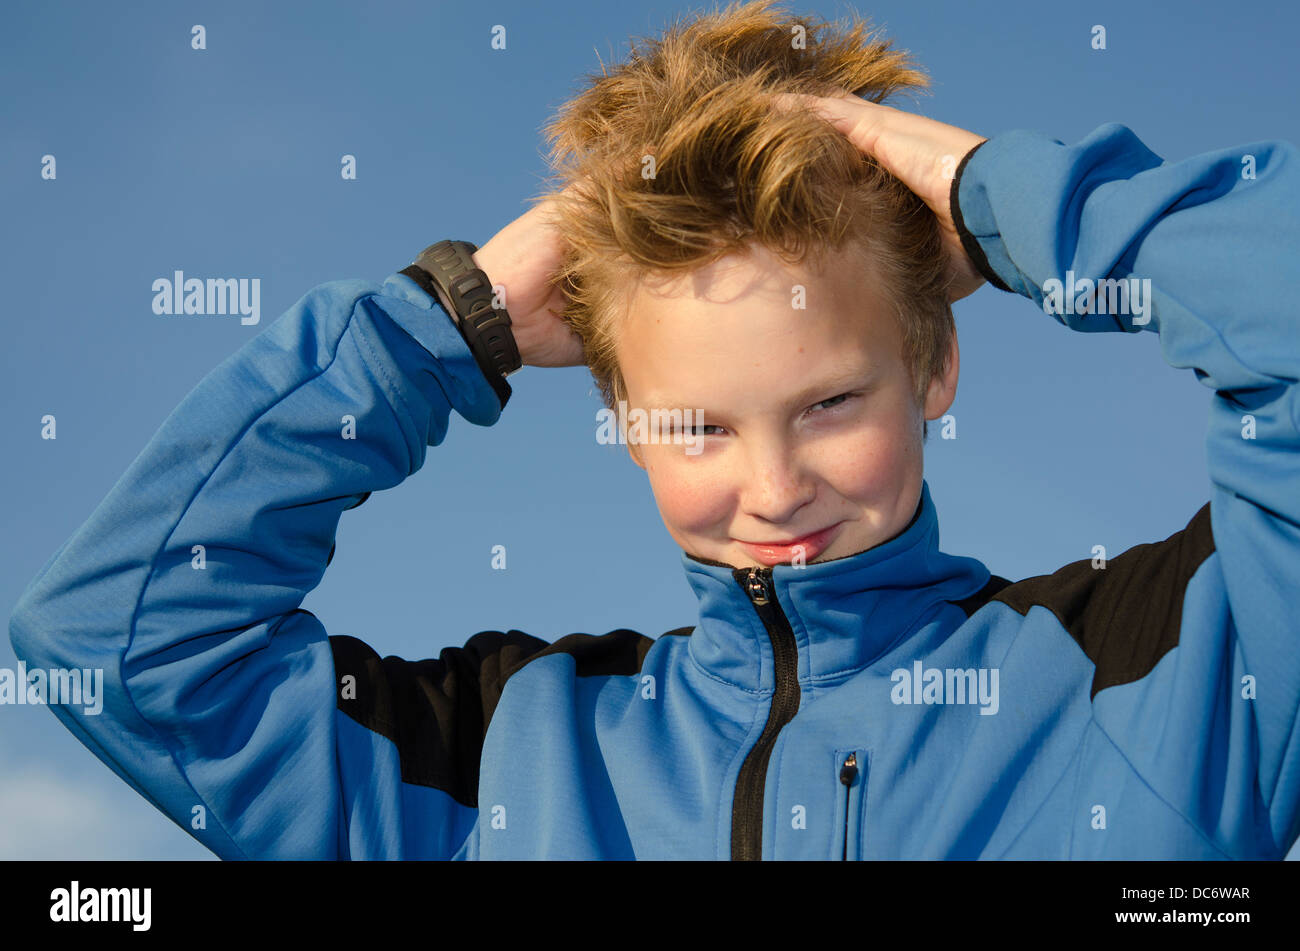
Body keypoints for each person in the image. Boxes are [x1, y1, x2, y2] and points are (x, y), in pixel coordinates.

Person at [9, 0, 1299, 859]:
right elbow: (117, 647)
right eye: (695, 426)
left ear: (937, 363)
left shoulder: (1157, 677)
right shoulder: (501, 755)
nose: (775, 484)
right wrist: (439, 331)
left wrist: (1001, 197)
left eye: (831, 403)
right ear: (621, 421)